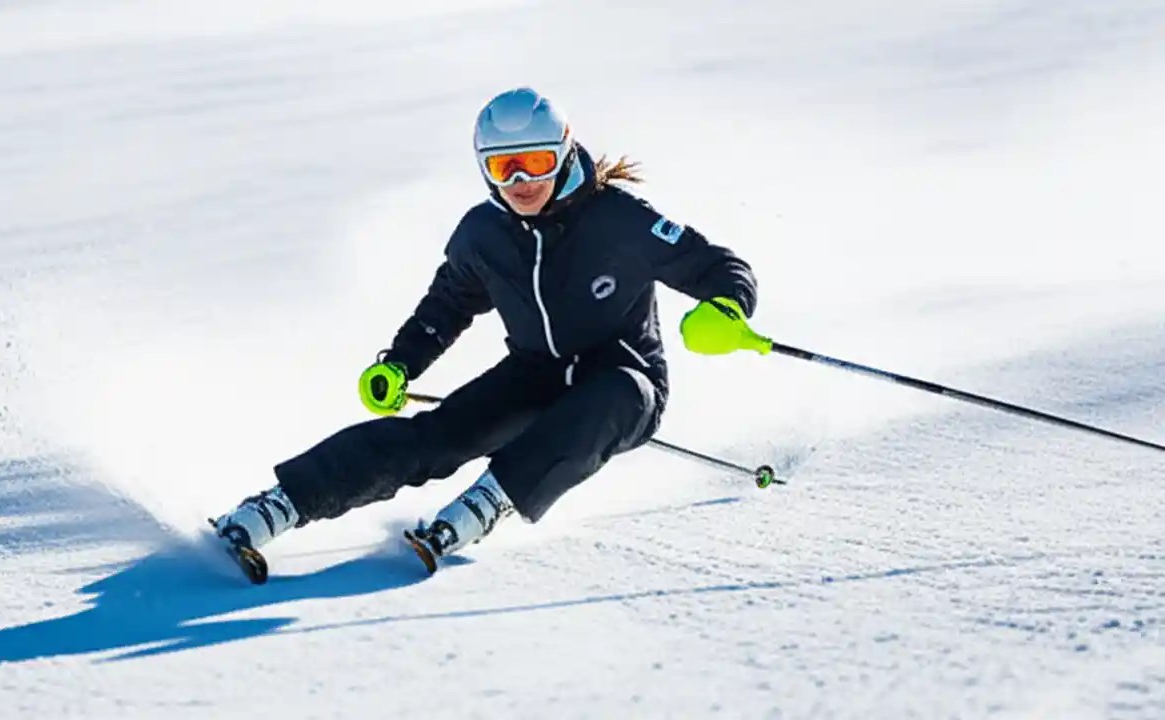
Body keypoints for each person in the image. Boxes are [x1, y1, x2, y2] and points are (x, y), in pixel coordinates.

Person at [211, 87, 766, 577]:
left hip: (625, 378)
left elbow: (716, 266)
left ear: (563, 153)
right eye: (505, 168)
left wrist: (727, 308)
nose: (522, 182)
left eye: (535, 163)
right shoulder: (484, 234)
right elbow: (446, 305)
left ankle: (488, 501)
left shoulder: (619, 219)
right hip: (533, 374)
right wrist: (400, 363)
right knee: (436, 437)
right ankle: (277, 505)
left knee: (609, 400)